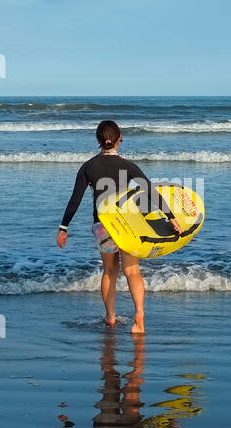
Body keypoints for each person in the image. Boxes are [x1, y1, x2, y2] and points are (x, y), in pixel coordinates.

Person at [56, 120, 156, 333]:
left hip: (103, 225)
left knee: (110, 270)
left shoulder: (88, 166)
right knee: (132, 270)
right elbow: (150, 191)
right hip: (129, 224)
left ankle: (110, 317)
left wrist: (64, 228)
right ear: (120, 138)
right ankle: (139, 314)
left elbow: (75, 199)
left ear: (97, 140)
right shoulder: (128, 165)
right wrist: (171, 218)